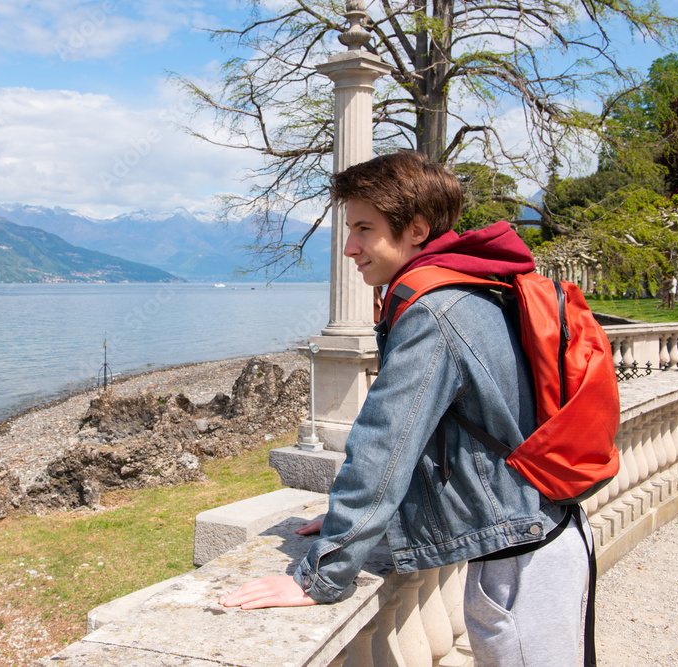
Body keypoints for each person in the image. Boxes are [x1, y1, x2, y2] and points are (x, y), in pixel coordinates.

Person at [220, 151, 590, 666]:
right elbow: (442, 435)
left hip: (521, 564)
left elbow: (384, 446)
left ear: (416, 229)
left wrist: (322, 574)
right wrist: (351, 523)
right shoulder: (471, 287)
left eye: (364, 229)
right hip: (539, 535)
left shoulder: (432, 314)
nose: (349, 248)